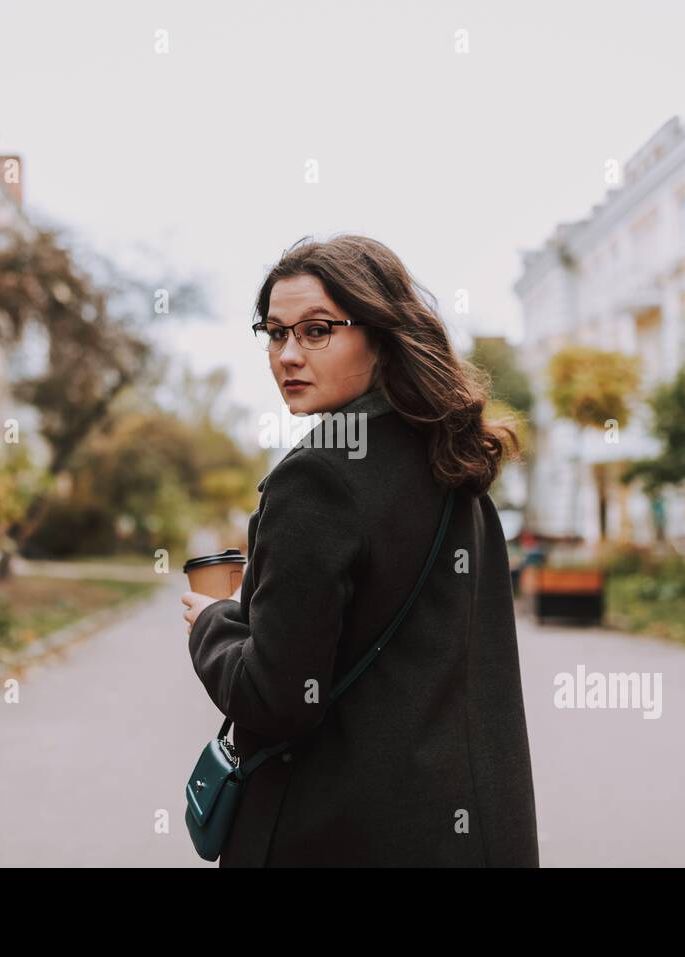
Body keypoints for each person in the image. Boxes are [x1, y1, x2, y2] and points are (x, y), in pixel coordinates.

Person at [180, 234, 539, 867]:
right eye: (274, 333)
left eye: (317, 331)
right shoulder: (455, 465)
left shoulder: (316, 479)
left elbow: (277, 699)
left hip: (340, 833)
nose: (288, 354)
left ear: (379, 333)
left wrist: (213, 623)